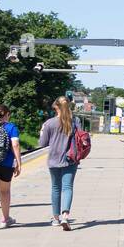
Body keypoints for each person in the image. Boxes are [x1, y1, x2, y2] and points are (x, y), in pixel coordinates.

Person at [38, 96, 80, 231]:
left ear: (56, 107)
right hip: (71, 159)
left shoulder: (49, 123)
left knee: (56, 188)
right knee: (67, 187)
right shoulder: (75, 121)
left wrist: (41, 133)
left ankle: (55, 219)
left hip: (53, 159)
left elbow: (42, 143)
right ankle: (65, 216)